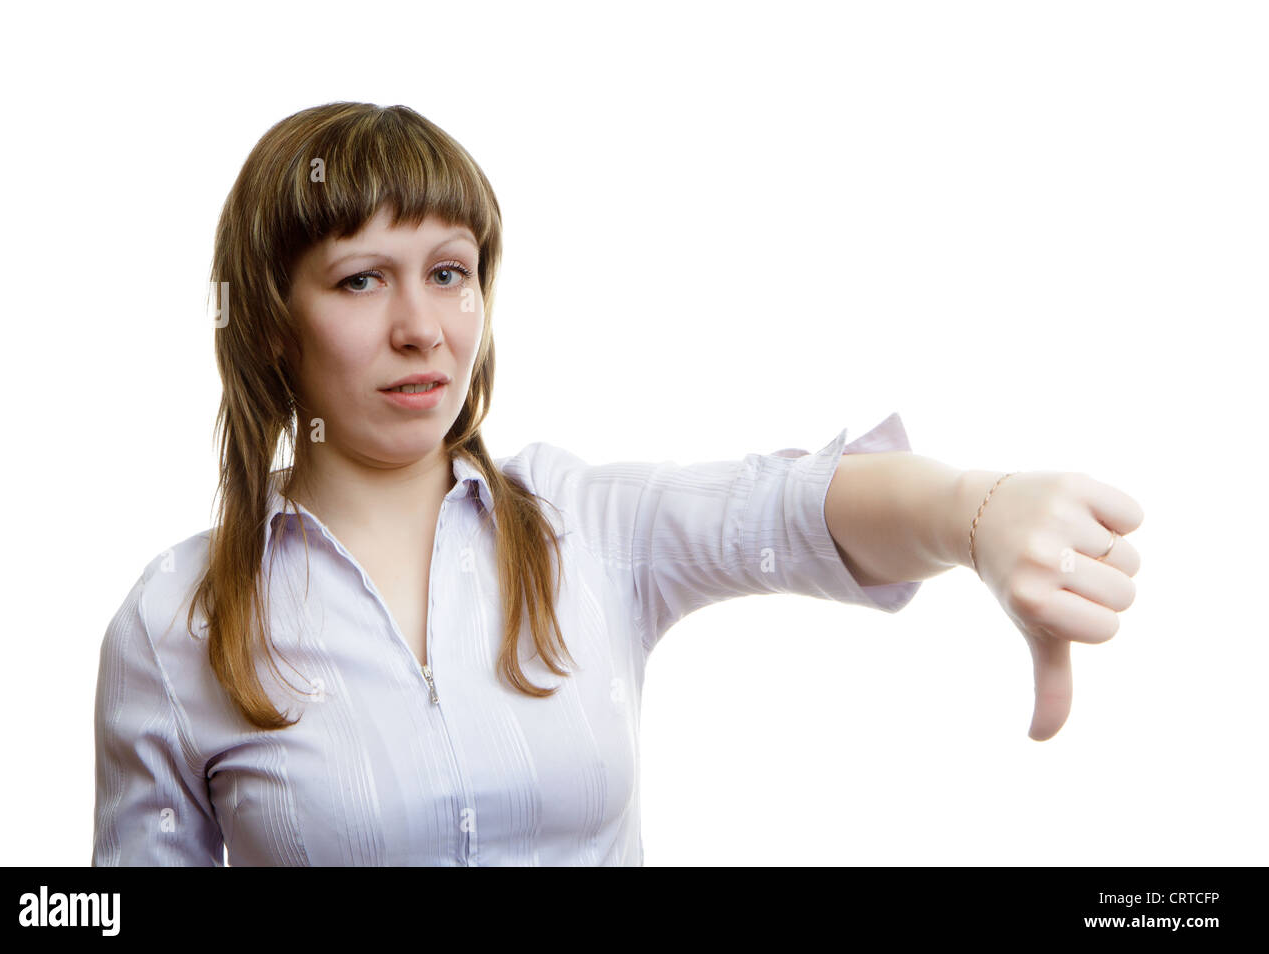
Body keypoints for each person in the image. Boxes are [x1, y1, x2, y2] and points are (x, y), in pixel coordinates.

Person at [91, 101, 1144, 866]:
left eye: (449, 271)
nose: (422, 326)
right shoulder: (175, 624)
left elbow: (783, 508)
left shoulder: (581, 528)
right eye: (362, 278)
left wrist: (975, 512)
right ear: (275, 317)